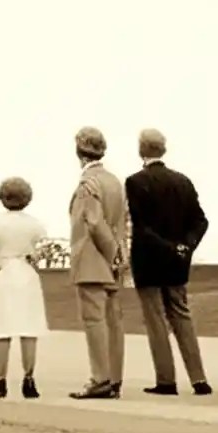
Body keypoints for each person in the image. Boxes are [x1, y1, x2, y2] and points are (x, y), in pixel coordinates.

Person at [125, 128, 213, 396]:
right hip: (178, 260)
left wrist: (167, 247)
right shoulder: (183, 181)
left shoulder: (135, 182)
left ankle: (166, 380)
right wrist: (185, 246)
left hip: (150, 259)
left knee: (155, 320)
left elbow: (141, 227)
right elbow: (200, 220)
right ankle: (199, 379)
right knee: (181, 315)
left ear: (142, 150)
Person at [0, 176, 50, 399]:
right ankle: (29, 379)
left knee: (2, 330)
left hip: (4, 271)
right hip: (26, 272)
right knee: (29, 329)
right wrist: (33, 257)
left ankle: (0, 381)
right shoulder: (34, 223)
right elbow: (44, 248)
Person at [67, 126, 129, 400]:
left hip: (93, 259)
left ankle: (100, 378)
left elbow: (93, 222)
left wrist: (111, 253)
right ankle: (114, 378)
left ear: (79, 152)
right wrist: (120, 256)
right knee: (114, 321)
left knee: (94, 321)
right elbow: (121, 222)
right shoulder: (115, 181)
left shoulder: (87, 185)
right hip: (114, 262)